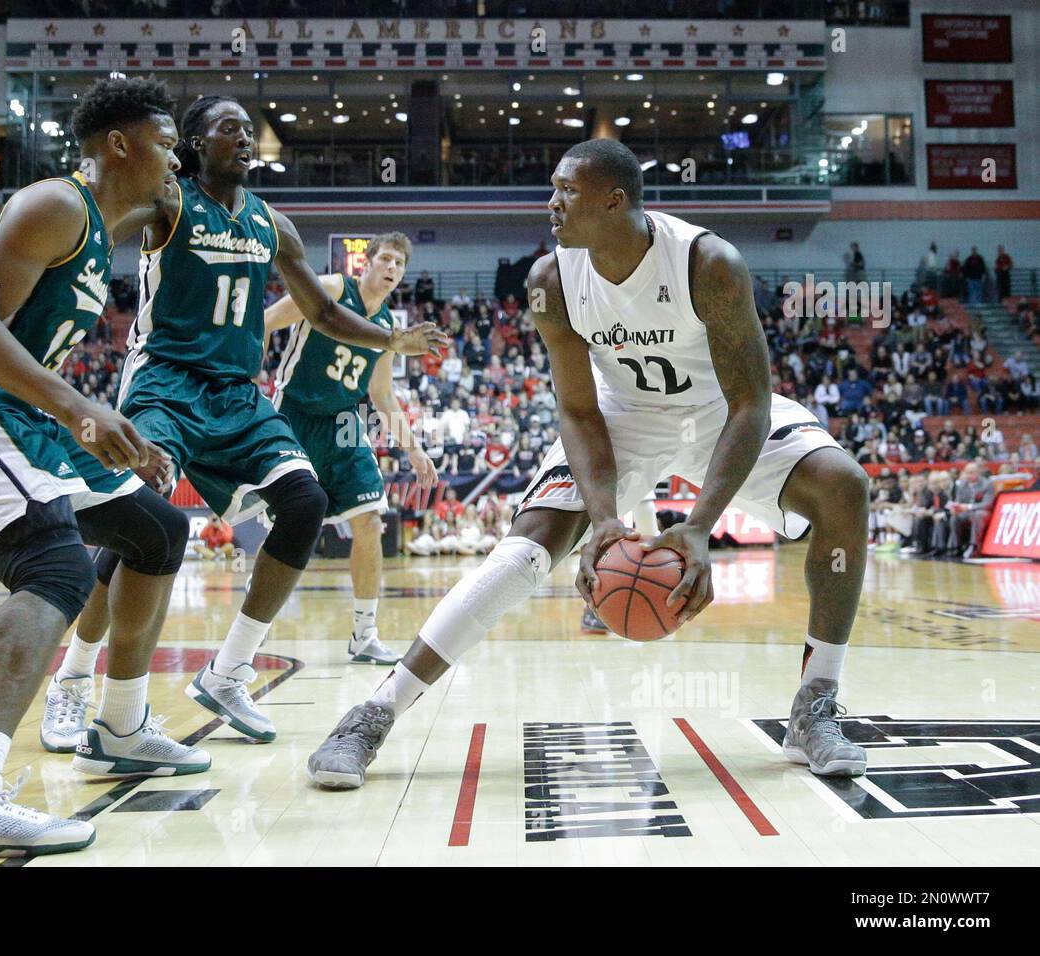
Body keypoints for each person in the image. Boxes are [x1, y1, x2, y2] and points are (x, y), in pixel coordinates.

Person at [307, 139, 872, 789]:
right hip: (620, 416)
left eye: (567, 191)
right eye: (552, 188)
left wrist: (698, 524)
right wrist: (603, 519)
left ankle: (816, 705)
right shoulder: (551, 281)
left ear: (615, 200)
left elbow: (751, 403)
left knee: (843, 487)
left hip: (719, 412)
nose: (551, 203)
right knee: (525, 549)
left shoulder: (709, 263)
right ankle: (373, 714)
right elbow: (577, 411)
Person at [43, 95, 447, 749]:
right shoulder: (169, 203)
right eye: (226, 127)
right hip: (166, 386)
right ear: (196, 144)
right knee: (136, 524)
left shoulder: (272, 224)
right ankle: (73, 681)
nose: (244, 136)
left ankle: (228, 672)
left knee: (306, 501)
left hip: (237, 396)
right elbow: (97, 218)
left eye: (249, 128)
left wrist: (393, 343)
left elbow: (322, 312)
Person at [0, 77, 212, 862]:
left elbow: (37, 352)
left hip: (17, 413)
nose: (176, 158)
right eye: (165, 142)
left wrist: (107, 421)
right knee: (56, 567)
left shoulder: (99, 231)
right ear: (119, 144)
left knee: (158, 530)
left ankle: (119, 727)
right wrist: (78, 411)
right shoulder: (54, 203)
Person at [265, 231, 439, 665]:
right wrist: (249, 384)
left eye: (399, 263)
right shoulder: (329, 289)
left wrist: (413, 450)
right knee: (288, 527)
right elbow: (266, 321)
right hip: (293, 414)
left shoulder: (389, 331)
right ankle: (253, 631)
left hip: (344, 424)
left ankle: (365, 634)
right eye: (385, 259)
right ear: (367, 262)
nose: (391, 268)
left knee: (370, 521)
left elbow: (382, 396)